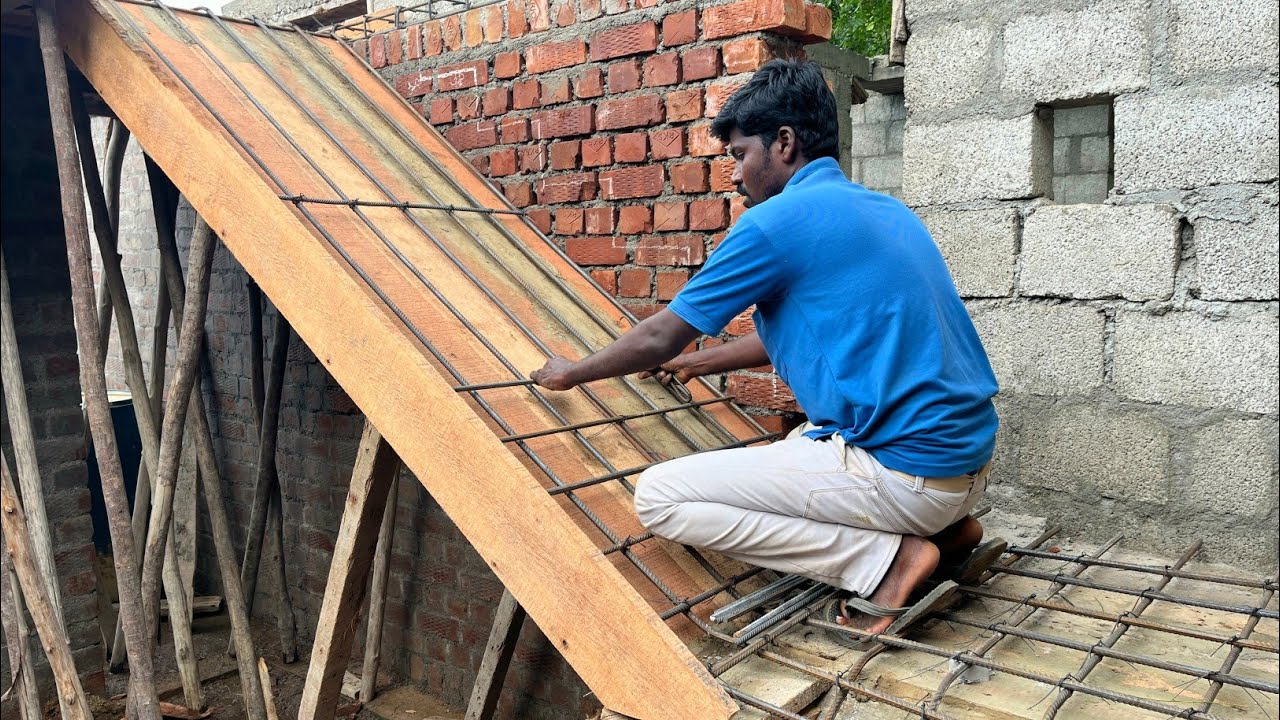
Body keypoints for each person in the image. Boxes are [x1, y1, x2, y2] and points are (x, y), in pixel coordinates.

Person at [531, 59, 1003, 646]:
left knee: (660, 496)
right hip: (964, 468)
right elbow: (821, 333)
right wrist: (697, 363)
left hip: (906, 477)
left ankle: (887, 562)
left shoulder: (773, 224)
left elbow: (660, 334)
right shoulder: (884, 210)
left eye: (738, 154)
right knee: (798, 442)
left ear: (783, 143)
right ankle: (948, 535)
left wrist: (572, 372)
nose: (734, 175)